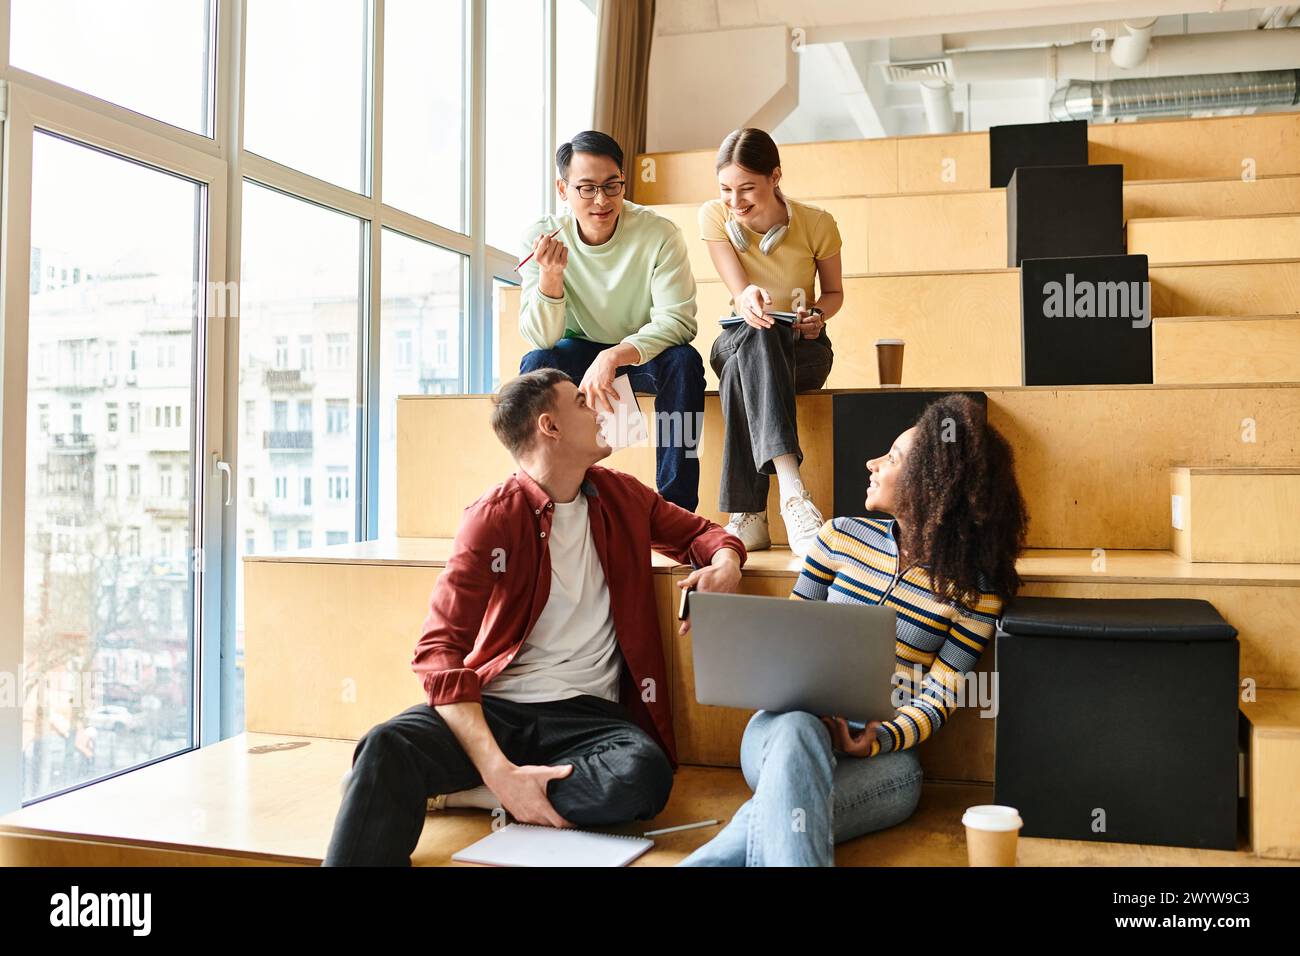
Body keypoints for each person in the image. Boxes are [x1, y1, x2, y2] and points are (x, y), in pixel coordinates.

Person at [323, 369, 746, 866]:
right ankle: (503, 783)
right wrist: (498, 765)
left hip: (590, 719)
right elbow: (438, 654)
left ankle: (479, 793)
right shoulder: (492, 517)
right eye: (583, 404)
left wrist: (726, 563)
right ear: (551, 427)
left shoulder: (622, 496)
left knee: (643, 776)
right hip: (500, 709)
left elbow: (705, 535)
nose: (600, 409)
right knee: (384, 747)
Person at [679, 394, 1027, 866]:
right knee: (800, 732)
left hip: (884, 761)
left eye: (893, 457)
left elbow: (942, 693)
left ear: (933, 482)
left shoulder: (975, 590)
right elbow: (791, 636)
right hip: (784, 734)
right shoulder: (839, 535)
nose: (873, 462)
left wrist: (880, 738)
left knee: (777, 815)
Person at [518, 130, 705, 513]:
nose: (601, 200)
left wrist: (615, 356)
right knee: (536, 366)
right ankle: (544, 496)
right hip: (578, 350)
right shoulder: (541, 237)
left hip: (640, 350)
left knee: (685, 362)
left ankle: (676, 508)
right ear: (562, 189)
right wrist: (551, 279)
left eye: (611, 185)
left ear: (623, 181)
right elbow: (540, 336)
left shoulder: (659, 233)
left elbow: (679, 320)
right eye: (586, 188)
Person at [700, 128, 845, 557]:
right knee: (757, 331)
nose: (735, 200)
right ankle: (793, 494)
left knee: (746, 366)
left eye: (748, 188)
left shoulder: (817, 223)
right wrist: (749, 297)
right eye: (726, 188)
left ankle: (749, 516)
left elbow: (834, 294)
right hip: (737, 339)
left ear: (775, 176)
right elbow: (740, 289)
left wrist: (816, 315)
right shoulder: (713, 217)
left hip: (805, 349)